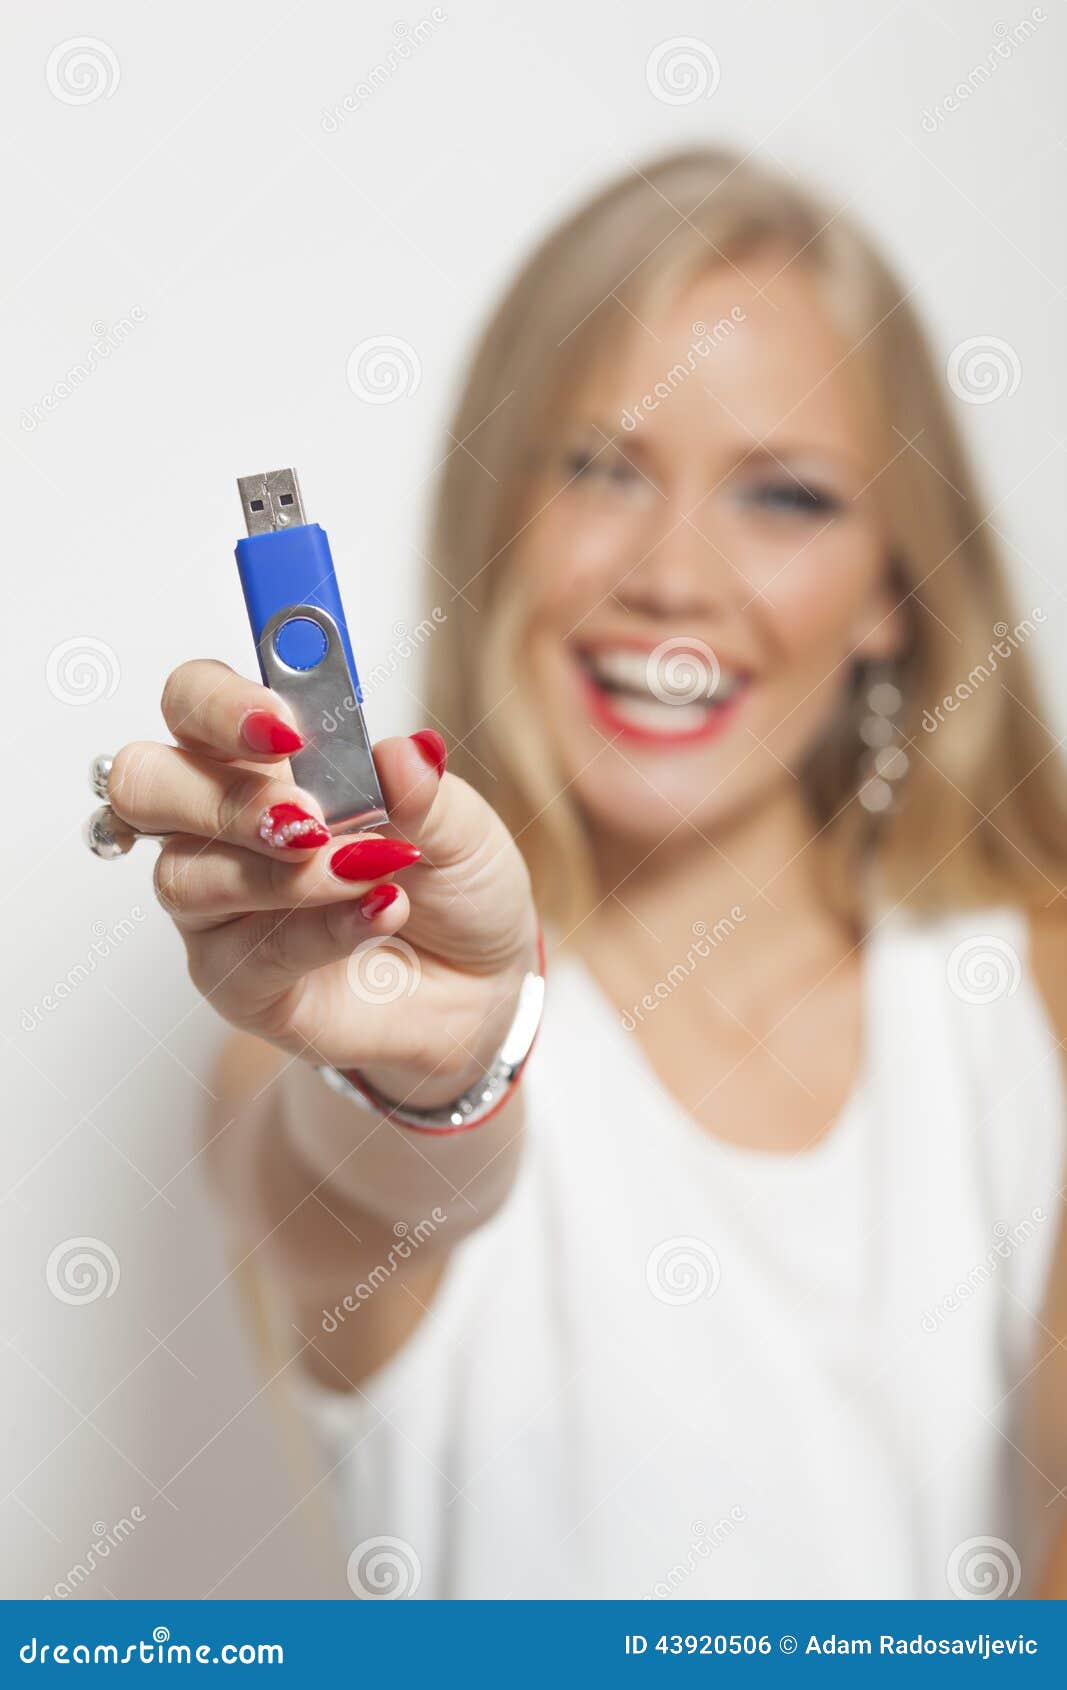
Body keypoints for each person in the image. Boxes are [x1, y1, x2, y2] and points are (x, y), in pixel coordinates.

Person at [105, 150, 1067, 1599]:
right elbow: (352, 1180)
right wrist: (437, 1073)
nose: (675, 573)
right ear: (502, 518)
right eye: (603, 466)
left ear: (893, 588)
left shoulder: (1030, 991)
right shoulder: (322, 1024)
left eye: (787, 496)